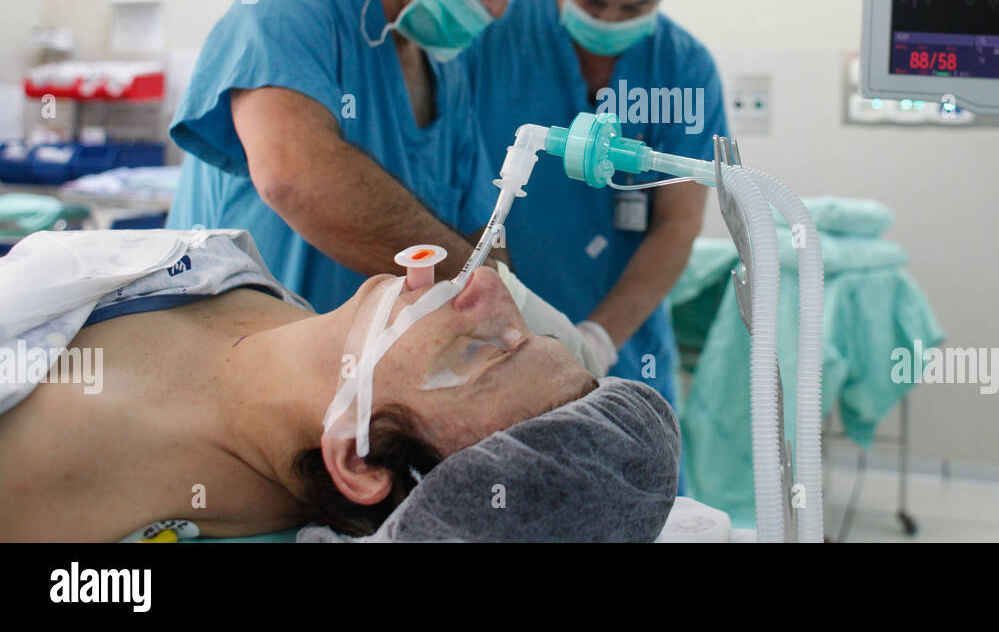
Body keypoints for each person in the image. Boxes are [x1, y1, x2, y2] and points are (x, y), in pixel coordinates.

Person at [0, 227, 597, 541]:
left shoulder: (49, 467)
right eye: (533, 332)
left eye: (482, 351)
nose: (488, 286)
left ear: (358, 460)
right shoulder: (301, 338)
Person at [166, 0, 554, 313]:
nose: (497, 5)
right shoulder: (287, 14)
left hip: (363, 359)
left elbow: (478, 231)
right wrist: (487, 295)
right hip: (234, 343)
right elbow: (294, 177)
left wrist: (518, 312)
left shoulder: (445, 70)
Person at [459, 0, 728, 410]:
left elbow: (678, 222)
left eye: (635, 7)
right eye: (591, 0)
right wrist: (512, 327)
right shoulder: (490, 38)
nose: (608, 21)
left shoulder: (682, 67)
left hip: (624, 349)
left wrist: (596, 342)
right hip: (493, 336)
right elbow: (453, 187)